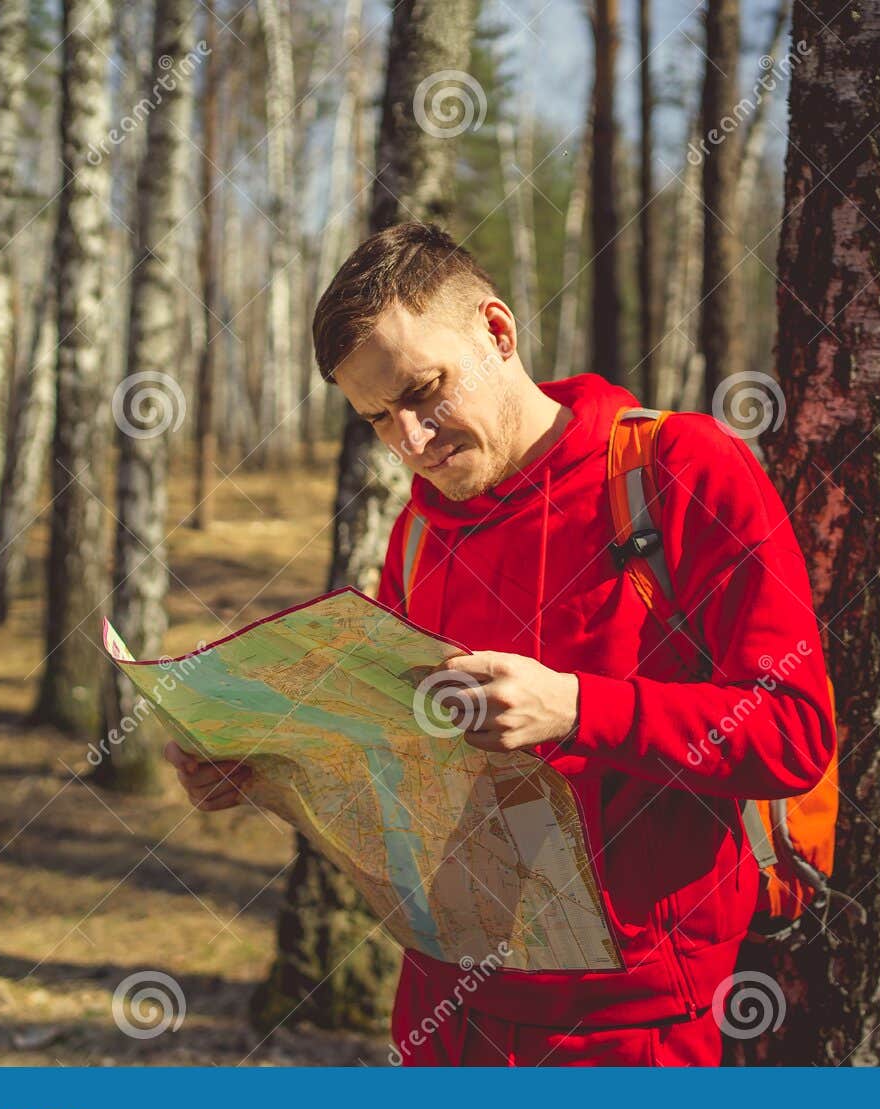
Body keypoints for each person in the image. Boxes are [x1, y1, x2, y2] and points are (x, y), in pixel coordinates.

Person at [166, 221, 835, 1066]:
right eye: (378, 417)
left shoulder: (675, 469)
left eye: (423, 392)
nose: (410, 440)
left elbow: (793, 733)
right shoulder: (417, 534)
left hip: (627, 1025)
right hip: (444, 1002)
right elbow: (407, 757)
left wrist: (577, 706)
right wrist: (264, 762)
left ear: (497, 331)